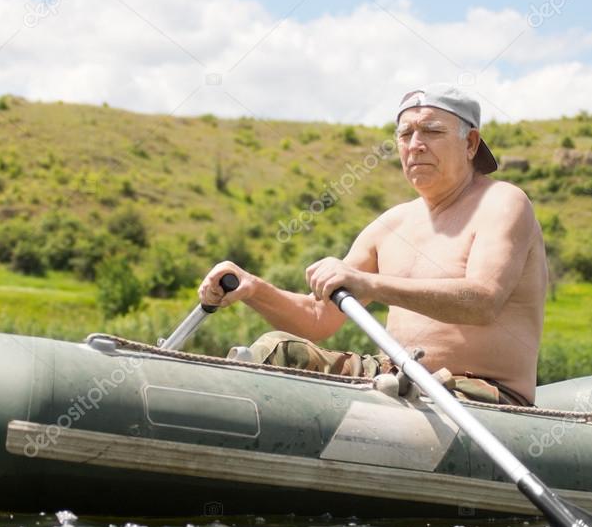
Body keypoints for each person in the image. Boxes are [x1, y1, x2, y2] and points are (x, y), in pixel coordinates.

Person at [198, 83, 547, 406]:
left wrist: (370, 284)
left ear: (470, 143)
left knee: (394, 395)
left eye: (432, 131)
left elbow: (482, 302)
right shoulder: (389, 225)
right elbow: (320, 318)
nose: (415, 145)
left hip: (480, 394)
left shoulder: (503, 203)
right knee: (277, 349)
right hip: (395, 377)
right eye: (406, 134)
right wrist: (253, 289)